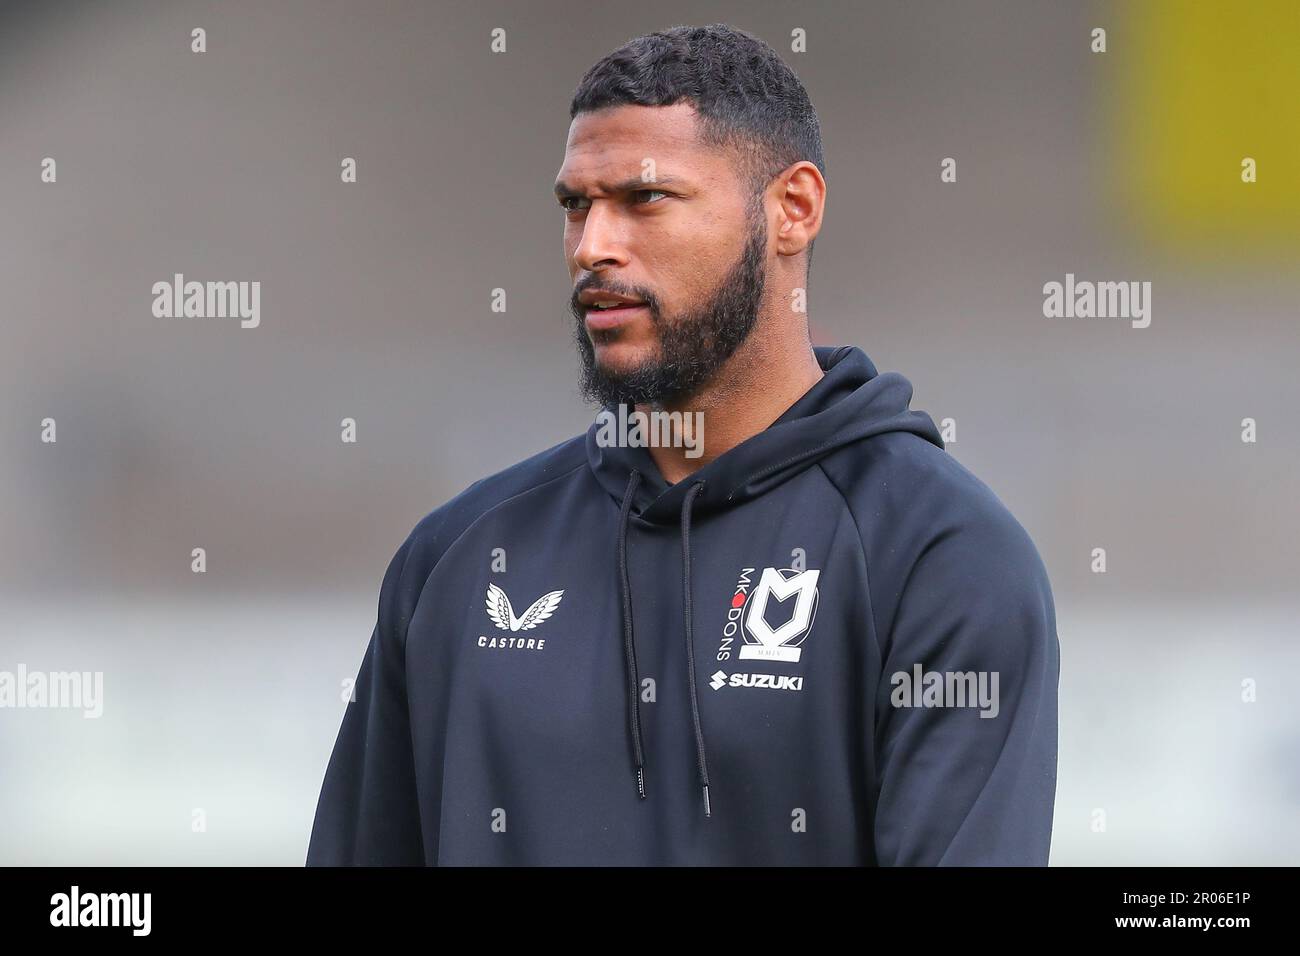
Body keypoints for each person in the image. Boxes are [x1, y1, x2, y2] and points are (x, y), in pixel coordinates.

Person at [307, 23, 1059, 866]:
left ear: (793, 210)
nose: (593, 246)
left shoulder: (940, 559)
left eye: (645, 198)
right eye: (575, 206)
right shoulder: (456, 558)